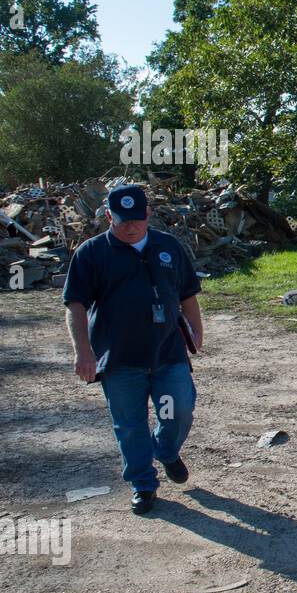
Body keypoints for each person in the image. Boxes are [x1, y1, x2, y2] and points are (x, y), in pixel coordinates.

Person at [63, 184, 204, 515]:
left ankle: (166, 450)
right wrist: (83, 352)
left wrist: (197, 330)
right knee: (130, 424)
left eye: (137, 219)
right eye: (123, 220)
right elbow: (75, 305)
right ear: (109, 216)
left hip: (168, 353)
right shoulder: (92, 253)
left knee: (179, 411)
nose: (131, 226)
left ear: (148, 214)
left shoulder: (168, 246)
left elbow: (187, 294)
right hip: (119, 358)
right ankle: (143, 484)